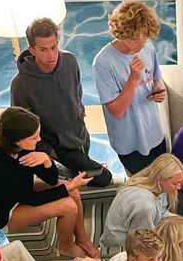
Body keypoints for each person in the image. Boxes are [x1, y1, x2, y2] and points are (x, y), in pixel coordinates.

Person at [0, 107, 98, 260]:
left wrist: (46, 160)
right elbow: (32, 199)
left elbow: (51, 179)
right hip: (4, 212)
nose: (39, 140)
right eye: (34, 137)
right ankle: (66, 246)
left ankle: (82, 239)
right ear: (17, 139)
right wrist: (69, 186)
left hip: (22, 191)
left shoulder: (26, 145)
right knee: (68, 206)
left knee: (73, 192)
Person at [10, 17, 112, 187]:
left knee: (81, 169)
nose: (51, 55)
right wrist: (49, 151)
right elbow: (21, 127)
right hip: (57, 147)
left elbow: (77, 94)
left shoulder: (70, 61)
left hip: (80, 135)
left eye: (53, 47)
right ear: (32, 49)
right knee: (104, 178)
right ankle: (60, 178)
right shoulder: (20, 84)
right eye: (43, 50)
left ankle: (69, 177)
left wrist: (81, 117)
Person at [93, 0, 167, 175]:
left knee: (163, 181)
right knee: (141, 191)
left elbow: (156, 78)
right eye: (136, 38)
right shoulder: (103, 62)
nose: (142, 43)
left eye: (145, 36)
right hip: (129, 141)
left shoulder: (147, 47)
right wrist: (133, 79)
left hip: (154, 133)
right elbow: (116, 111)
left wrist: (158, 89)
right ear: (121, 34)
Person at [100, 154, 183, 251]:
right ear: (160, 180)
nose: (179, 187)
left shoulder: (155, 187)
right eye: (175, 183)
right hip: (120, 249)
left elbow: (161, 211)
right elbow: (141, 242)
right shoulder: (146, 206)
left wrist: (182, 221)